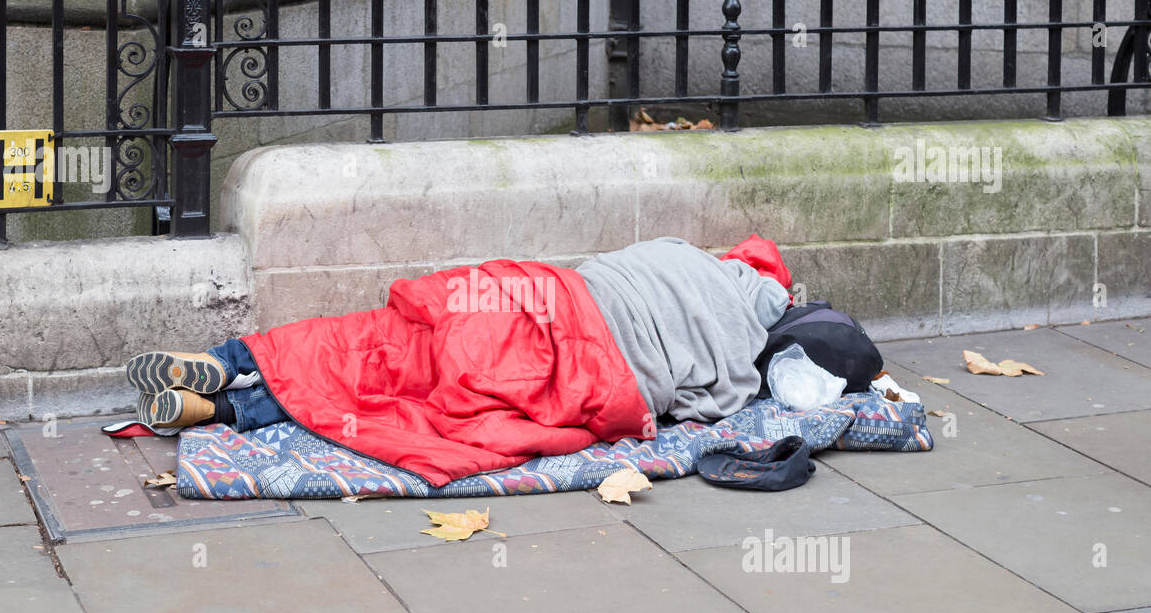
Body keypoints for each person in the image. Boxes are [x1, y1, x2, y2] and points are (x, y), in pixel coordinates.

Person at [123, 235, 791, 486]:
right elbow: (697, 410)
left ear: (736, 262)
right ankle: (226, 408)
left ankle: (227, 357)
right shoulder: (742, 355)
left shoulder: (677, 253)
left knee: (381, 340)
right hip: (588, 373)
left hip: (539, 299)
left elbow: (599, 270)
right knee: (413, 401)